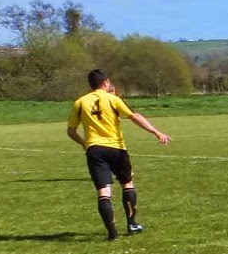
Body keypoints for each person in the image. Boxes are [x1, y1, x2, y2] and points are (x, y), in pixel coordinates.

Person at [66, 68, 171, 241]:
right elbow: (134, 116)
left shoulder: (80, 102)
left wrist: (84, 143)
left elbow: (71, 131)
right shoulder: (113, 99)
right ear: (106, 82)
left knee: (103, 192)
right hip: (117, 148)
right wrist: (156, 132)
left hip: (94, 149)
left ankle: (112, 233)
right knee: (127, 184)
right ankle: (132, 223)